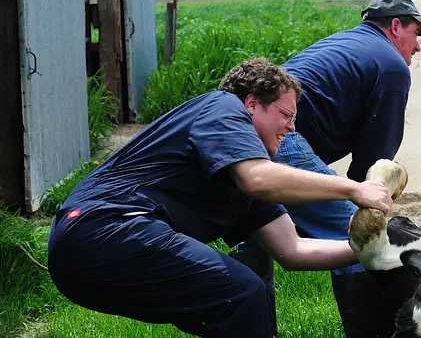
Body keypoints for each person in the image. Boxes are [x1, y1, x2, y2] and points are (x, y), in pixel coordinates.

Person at [46, 57, 393, 338]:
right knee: (242, 294)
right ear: (252, 103)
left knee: (233, 305)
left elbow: (293, 251)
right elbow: (259, 178)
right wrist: (352, 188)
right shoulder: (222, 108)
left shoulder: (242, 177)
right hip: (100, 227)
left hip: (92, 255)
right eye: (286, 115)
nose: (292, 128)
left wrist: (375, 249)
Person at [229, 0, 421, 338]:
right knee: (356, 232)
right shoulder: (392, 66)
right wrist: (363, 201)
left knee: (258, 235)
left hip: (241, 131)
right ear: (395, 26)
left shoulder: (347, 44)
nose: (417, 47)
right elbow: (374, 166)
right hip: (281, 136)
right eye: (416, 33)